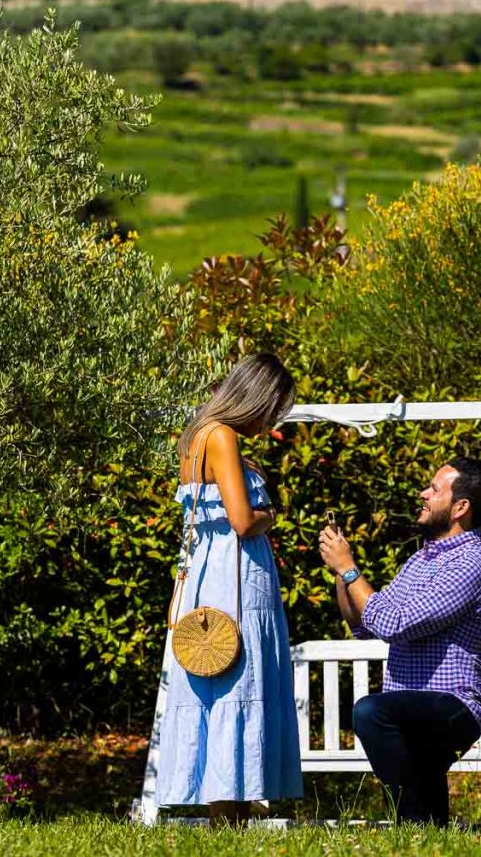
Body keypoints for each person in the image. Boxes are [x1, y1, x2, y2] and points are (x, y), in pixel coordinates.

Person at [319, 455, 481, 832]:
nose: (423, 493)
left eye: (434, 489)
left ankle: (429, 830)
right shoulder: (420, 560)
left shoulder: (470, 564)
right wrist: (342, 576)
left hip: (451, 706)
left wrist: (352, 569)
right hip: (410, 705)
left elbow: (392, 622)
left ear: (460, 507)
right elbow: (363, 626)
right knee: (427, 829)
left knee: (371, 713)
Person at [156, 352, 302, 826]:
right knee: (240, 675)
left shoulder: (197, 436)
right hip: (234, 580)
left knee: (219, 684)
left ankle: (232, 807)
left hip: (209, 574)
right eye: (272, 407)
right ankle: (230, 811)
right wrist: (272, 515)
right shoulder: (222, 437)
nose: (271, 419)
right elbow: (241, 520)